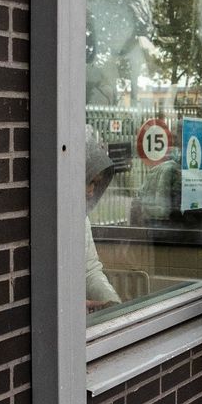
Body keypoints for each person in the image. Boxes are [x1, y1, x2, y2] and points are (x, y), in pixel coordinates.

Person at [85, 126, 121, 312]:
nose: (92, 191)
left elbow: (90, 271)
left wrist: (112, 303)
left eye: (96, 184)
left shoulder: (81, 220)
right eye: (89, 181)